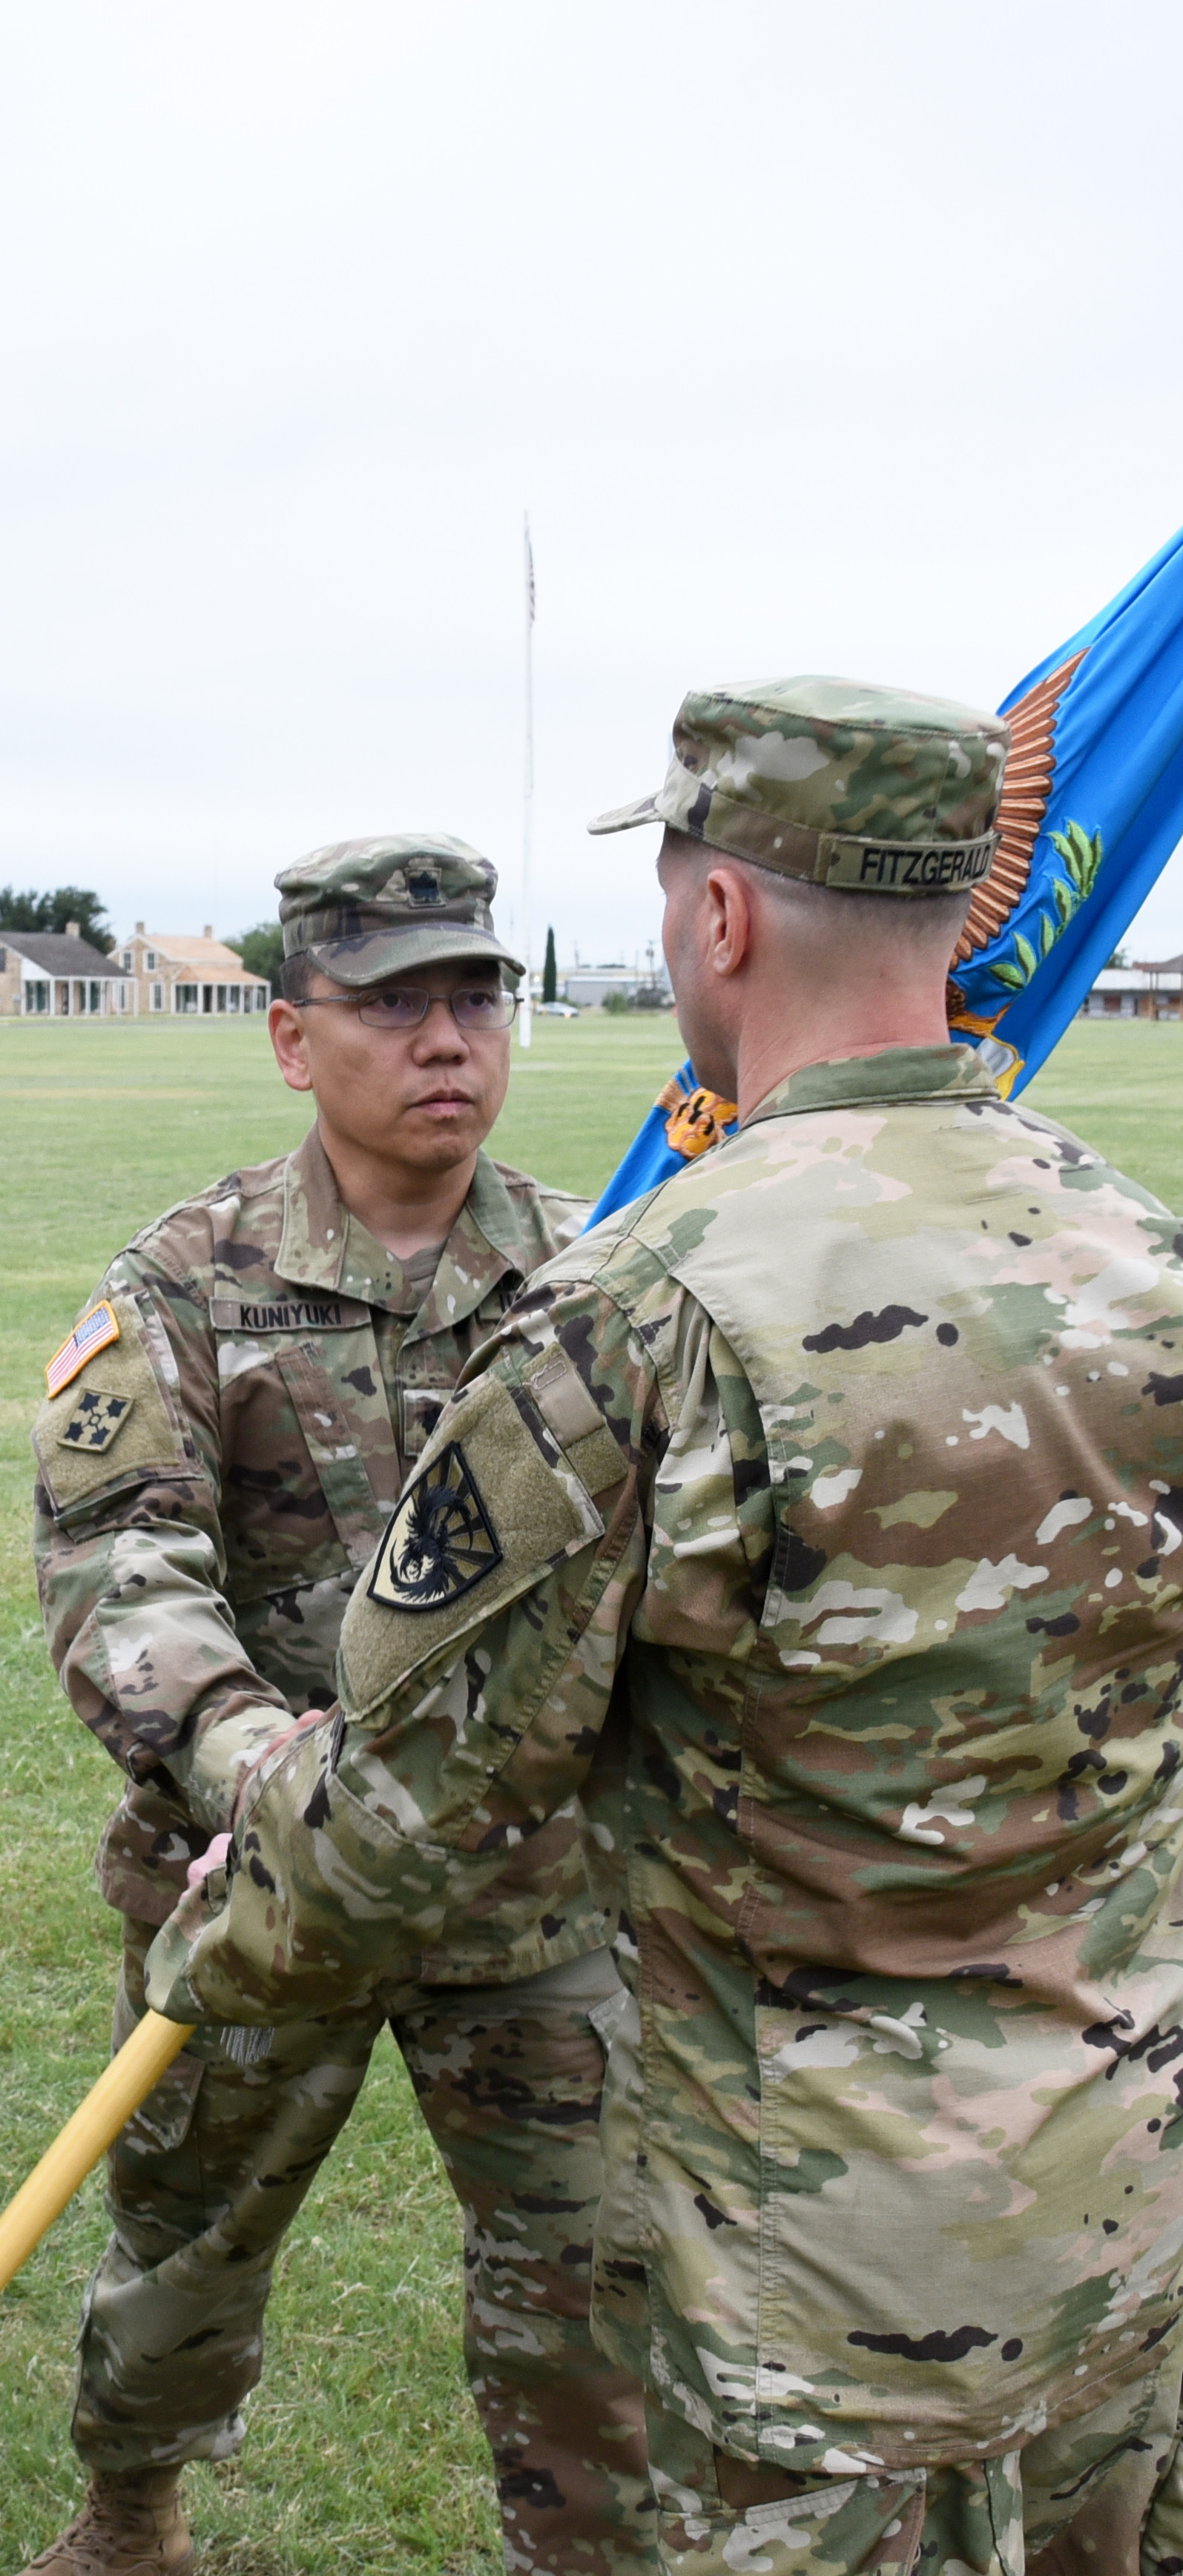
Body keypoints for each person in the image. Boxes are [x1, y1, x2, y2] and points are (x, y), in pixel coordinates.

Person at [147, 686, 1183, 2575]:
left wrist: (224, 1915)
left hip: (819, 2295)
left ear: (719, 916)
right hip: (1120, 2203)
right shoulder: (1166, 1260)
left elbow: (405, 1814)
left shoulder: (645, 1310)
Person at [27, 838, 647, 2576]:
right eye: (393, 1005)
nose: (446, 1039)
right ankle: (131, 2521)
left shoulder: (603, 1277)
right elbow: (117, 1562)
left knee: (594, 2285)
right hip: (262, 1883)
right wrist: (250, 1761)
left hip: (529, 1896)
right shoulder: (185, 1280)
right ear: (293, 1037)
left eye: (476, 998)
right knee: (182, 2256)